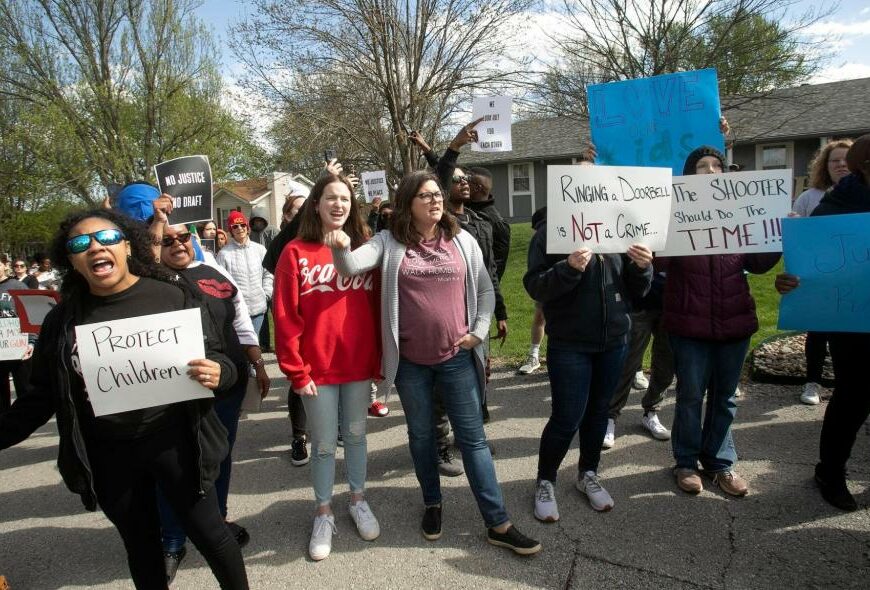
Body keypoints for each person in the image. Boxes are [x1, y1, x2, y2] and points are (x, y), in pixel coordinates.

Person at [0, 209, 248, 589]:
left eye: (107, 238)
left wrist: (219, 373)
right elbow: (41, 397)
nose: (96, 246)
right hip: (109, 452)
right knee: (141, 546)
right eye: (81, 243)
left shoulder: (174, 295)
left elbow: (220, 357)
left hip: (176, 442)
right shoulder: (63, 321)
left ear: (127, 246)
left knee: (212, 535)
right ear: (71, 260)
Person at [328, 170, 541, 555]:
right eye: (425, 196)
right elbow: (349, 267)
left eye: (437, 194)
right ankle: (432, 502)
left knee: (474, 440)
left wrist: (478, 329)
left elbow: (485, 288)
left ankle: (498, 521)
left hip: (457, 359)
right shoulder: (389, 242)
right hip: (410, 363)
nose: (436, 200)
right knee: (423, 437)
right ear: (409, 203)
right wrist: (340, 247)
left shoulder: (461, 240)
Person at [660, 146, 781, 497]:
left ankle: (720, 464)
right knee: (690, 396)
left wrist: (778, 234)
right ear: (688, 175)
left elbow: (758, 262)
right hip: (689, 323)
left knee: (725, 398)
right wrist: (646, 253)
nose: (711, 171)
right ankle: (685, 462)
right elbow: (658, 265)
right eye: (702, 166)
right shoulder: (675, 215)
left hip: (734, 320)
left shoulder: (741, 213)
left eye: (717, 165)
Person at [273, 173, 382, 561]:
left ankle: (357, 499)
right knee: (321, 445)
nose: (339, 205)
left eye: (345, 199)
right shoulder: (295, 253)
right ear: (315, 204)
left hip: (357, 366)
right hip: (316, 370)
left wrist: (380, 361)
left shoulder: (366, 250)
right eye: (331, 198)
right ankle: (323, 511)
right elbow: (285, 316)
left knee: (355, 436)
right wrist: (295, 370)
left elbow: (378, 308)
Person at [157, 222, 270, 582]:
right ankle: (172, 540)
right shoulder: (146, 282)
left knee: (219, 457)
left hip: (228, 386)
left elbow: (241, 323)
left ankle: (217, 523)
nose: (177, 244)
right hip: (175, 396)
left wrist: (258, 363)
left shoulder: (214, 271)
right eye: (166, 239)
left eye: (182, 237)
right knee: (175, 468)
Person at [525, 213, 653, 518]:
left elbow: (639, 292)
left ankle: (588, 474)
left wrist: (643, 267)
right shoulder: (549, 233)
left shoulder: (621, 228)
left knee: (599, 412)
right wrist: (568, 269)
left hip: (614, 342)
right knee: (567, 417)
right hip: (570, 343)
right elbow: (536, 286)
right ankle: (545, 480)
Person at [775, 134, 870, 511]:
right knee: (854, 395)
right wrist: (793, 279)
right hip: (854, 318)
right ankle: (830, 472)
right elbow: (814, 256)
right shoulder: (841, 200)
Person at [791, 139, 853, 405]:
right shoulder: (809, 197)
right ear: (824, 166)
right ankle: (812, 382)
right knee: (817, 331)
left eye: (846, 159)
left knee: (853, 334)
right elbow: (797, 240)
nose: (840, 164)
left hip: (856, 275)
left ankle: (848, 386)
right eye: (834, 160)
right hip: (819, 275)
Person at [216, 211, 273, 335]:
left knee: (254, 343)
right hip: (238, 311)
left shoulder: (260, 249)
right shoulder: (224, 254)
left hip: (258, 308)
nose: (239, 228)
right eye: (235, 226)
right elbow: (220, 282)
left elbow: (268, 273)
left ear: (247, 227)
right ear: (231, 231)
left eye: (242, 225)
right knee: (242, 348)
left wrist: (266, 293)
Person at [0, 254, 34, 411]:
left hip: (19, 347)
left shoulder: (18, 286)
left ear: (5, 265)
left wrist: (32, 342)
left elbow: (31, 314)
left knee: (26, 391)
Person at [467, 167, 511, 281]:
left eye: (467, 180)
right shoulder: (461, 208)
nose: (462, 183)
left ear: (477, 187)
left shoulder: (497, 223)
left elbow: (497, 266)